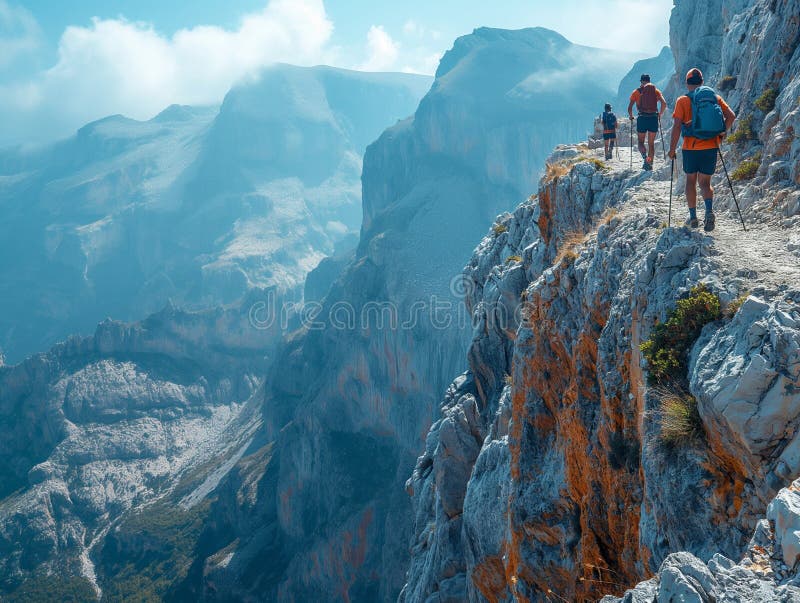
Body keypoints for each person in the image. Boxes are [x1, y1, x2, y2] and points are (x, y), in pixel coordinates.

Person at [668, 68, 736, 231]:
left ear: (687, 83)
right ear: (702, 82)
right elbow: (731, 116)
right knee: (705, 183)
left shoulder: (682, 101)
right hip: (711, 146)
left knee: (690, 181)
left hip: (690, 148)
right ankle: (709, 211)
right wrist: (721, 135)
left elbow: (677, 126)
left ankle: (693, 218)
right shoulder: (714, 98)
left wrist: (671, 150)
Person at [628, 74, 667, 171]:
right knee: (651, 144)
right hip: (653, 118)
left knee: (641, 142)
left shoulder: (636, 92)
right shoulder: (656, 91)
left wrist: (631, 116)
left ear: (641, 81)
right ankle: (650, 163)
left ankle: (645, 159)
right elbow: (664, 103)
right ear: (649, 81)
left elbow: (629, 108)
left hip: (642, 118)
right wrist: (660, 114)